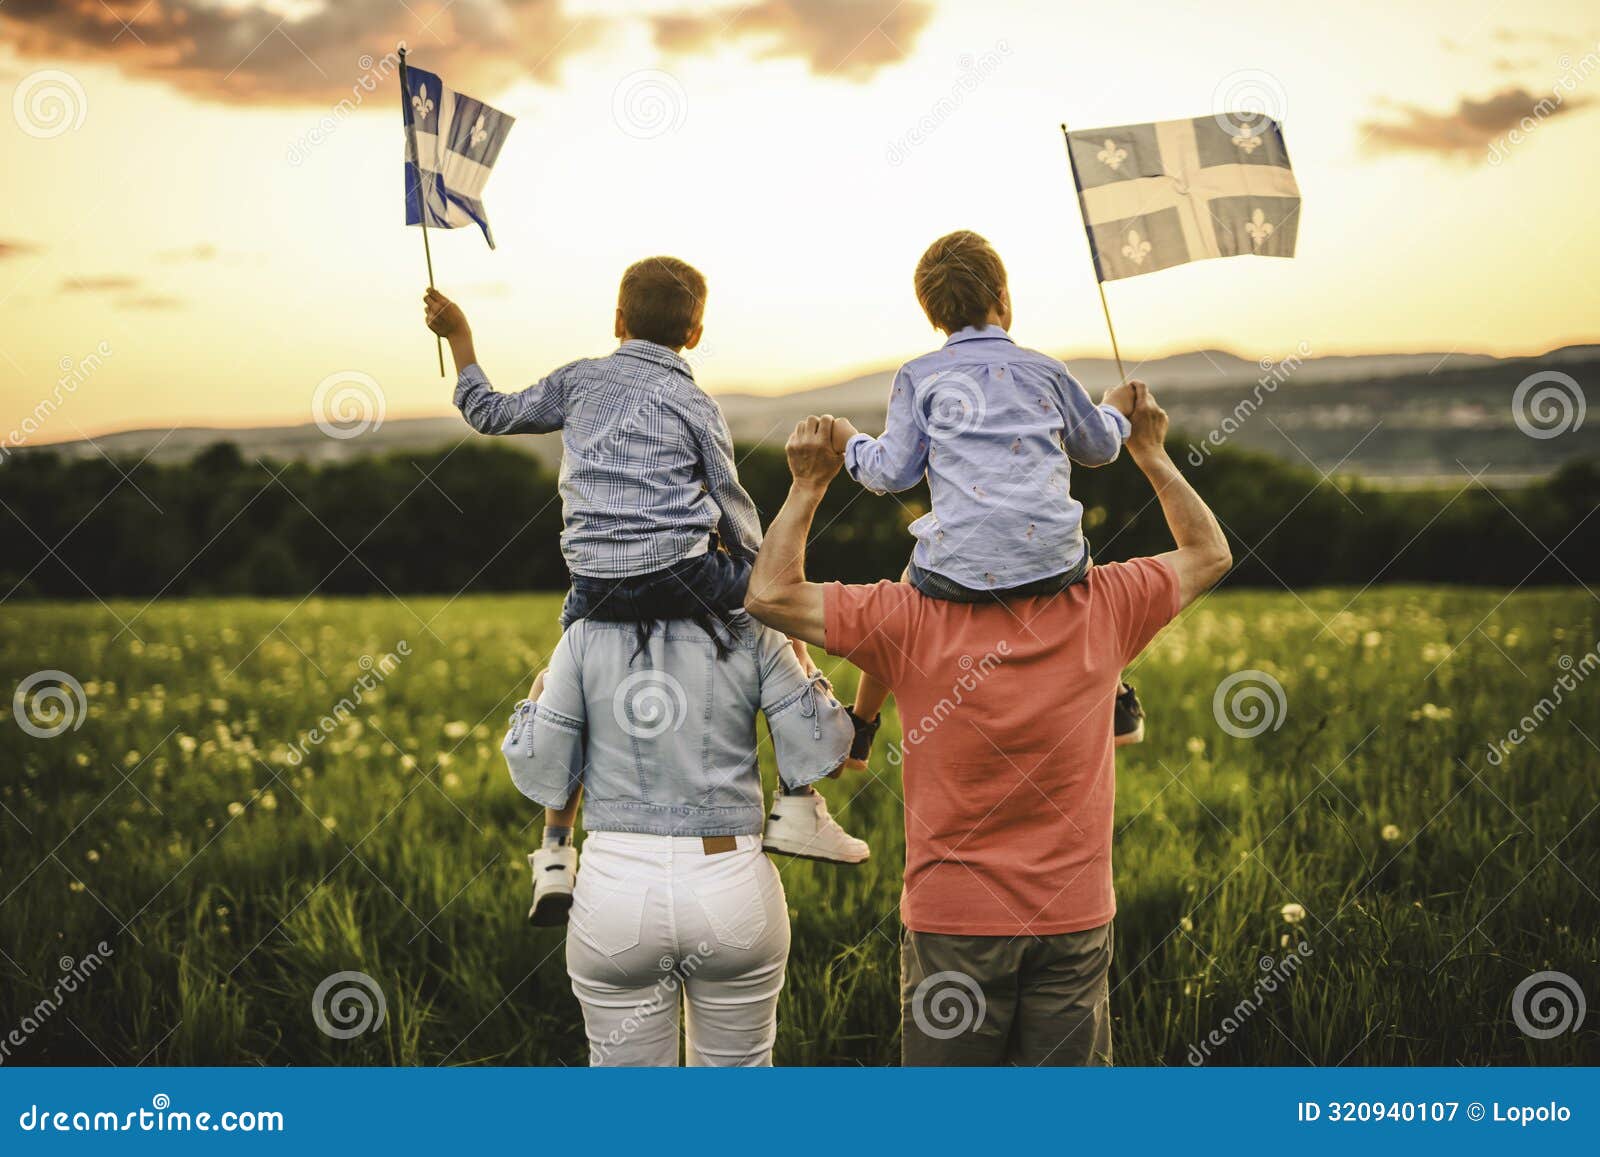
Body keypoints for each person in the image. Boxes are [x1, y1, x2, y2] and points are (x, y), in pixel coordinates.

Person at [743, 383, 1231, 1064]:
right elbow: (1209, 552)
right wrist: (1149, 450)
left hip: (952, 922)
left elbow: (767, 593)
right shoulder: (1106, 604)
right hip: (1074, 917)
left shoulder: (908, 617)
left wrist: (808, 484)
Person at [422, 261, 868, 918]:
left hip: (596, 586)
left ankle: (553, 850)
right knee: (771, 615)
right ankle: (800, 800)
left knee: (563, 673)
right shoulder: (695, 403)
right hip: (681, 574)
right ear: (695, 331)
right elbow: (733, 504)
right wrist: (763, 577)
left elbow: (488, 412)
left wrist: (459, 336)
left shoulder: (579, 380)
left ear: (618, 321)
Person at [823, 231, 1147, 766]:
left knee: (903, 599)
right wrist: (1115, 410)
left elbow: (895, 474)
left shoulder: (918, 377)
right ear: (1005, 301)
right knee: (1084, 584)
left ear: (933, 317)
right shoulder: (1047, 369)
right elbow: (1098, 448)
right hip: (1053, 565)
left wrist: (849, 443)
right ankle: (1115, 705)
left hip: (958, 572)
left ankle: (860, 726)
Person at [501, 612, 855, 1065]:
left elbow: (543, 767)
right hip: (733, 888)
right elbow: (826, 756)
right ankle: (801, 814)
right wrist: (801, 656)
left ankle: (554, 854)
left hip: (615, 889)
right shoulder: (753, 629)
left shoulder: (584, 635)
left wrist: (536, 700)